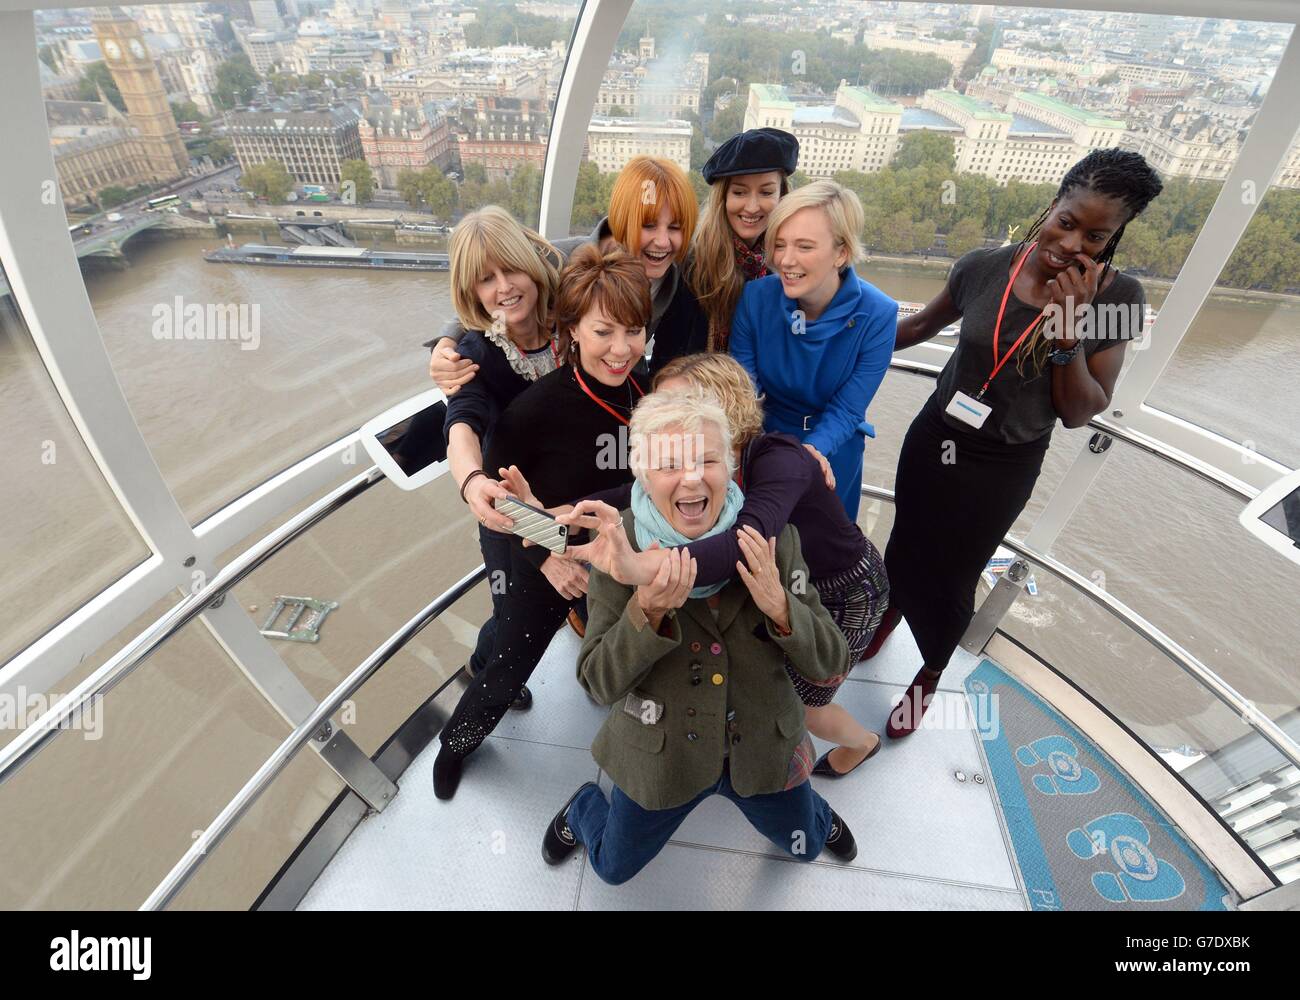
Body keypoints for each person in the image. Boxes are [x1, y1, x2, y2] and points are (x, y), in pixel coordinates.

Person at [870, 148, 1163, 738]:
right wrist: (829, 333)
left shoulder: (1115, 298)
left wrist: (1067, 335)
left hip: (1003, 462)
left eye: (1095, 235)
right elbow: (918, 329)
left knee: (956, 574)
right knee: (904, 544)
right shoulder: (985, 266)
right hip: (936, 437)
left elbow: (1081, 410)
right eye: (1068, 220)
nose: (1073, 242)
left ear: (1114, 237)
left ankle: (929, 672)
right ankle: (890, 613)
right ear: (1052, 204)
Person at [540, 390, 860, 881]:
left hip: (761, 750)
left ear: (732, 465)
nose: (692, 477)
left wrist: (780, 606)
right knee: (611, 867)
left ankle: (811, 814)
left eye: (707, 459)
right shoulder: (616, 551)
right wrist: (645, 611)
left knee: (806, 845)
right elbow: (598, 684)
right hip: (665, 757)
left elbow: (830, 661)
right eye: (669, 464)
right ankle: (585, 806)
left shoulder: (774, 540)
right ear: (642, 474)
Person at [520, 353, 887, 776]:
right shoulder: (697, 465)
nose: (664, 418)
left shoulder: (779, 460)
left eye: (678, 405)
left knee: (803, 704)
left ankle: (862, 742)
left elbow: (742, 547)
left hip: (842, 587)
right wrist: (556, 516)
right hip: (783, 581)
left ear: (724, 405)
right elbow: (632, 493)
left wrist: (640, 569)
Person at [432, 244, 650, 799]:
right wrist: (547, 553)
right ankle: (455, 745)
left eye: (634, 330)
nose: (621, 350)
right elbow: (504, 502)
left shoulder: (645, 389)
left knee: (606, 643)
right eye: (603, 333)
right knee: (510, 670)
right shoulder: (535, 410)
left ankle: (483, 655)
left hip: (605, 546)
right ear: (572, 329)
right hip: (536, 547)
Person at [429, 156, 707, 395]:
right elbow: (493, 295)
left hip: (619, 391)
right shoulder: (563, 260)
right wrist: (447, 343)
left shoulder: (678, 275)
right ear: (622, 219)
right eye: (648, 226)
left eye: (675, 228)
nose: (662, 242)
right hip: (555, 392)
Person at [443, 207, 564, 712]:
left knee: (560, 592)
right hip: (506, 503)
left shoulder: (575, 318)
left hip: (567, 493)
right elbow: (463, 420)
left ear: (531, 264)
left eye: (510, 269)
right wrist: (472, 481)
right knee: (514, 605)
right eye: (485, 280)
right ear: (472, 294)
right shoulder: (480, 351)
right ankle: (488, 668)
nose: (503, 288)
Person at [729, 180, 896, 521]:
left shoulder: (879, 315)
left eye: (804, 247)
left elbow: (849, 409)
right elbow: (742, 389)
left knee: (821, 554)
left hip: (833, 446)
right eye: (779, 245)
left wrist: (809, 454)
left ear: (842, 252)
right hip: (766, 438)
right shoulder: (756, 298)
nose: (786, 261)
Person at [689, 127, 800, 352]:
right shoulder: (693, 264)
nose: (751, 207)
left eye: (766, 192)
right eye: (739, 192)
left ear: (782, 196)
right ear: (723, 197)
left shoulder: (789, 266)